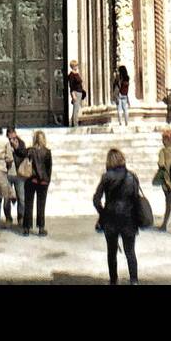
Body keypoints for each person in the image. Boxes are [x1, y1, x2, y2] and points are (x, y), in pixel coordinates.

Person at [93, 147, 141, 285]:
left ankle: (113, 280)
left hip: (111, 218)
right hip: (129, 217)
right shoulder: (132, 176)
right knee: (130, 252)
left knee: (111, 252)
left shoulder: (106, 177)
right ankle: (134, 280)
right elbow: (136, 198)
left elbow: (96, 199)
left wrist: (103, 213)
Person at [22, 129, 52, 237]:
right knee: (41, 205)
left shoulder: (30, 150)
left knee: (28, 204)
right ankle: (41, 228)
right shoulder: (47, 152)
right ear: (43, 139)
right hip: (43, 182)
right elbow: (49, 169)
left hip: (31, 180)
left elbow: (23, 157)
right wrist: (47, 180)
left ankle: (26, 228)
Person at [5, 127, 27, 226]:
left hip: (19, 174)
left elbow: (24, 154)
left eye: (13, 136)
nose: (11, 139)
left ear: (15, 134)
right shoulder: (4, 144)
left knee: (21, 198)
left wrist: (16, 148)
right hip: (7, 174)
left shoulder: (21, 143)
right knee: (6, 198)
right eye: (9, 137)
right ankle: (8, 218)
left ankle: (21, 217)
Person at [67, 59, 87, 127]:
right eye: (76, 65)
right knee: (75, 109)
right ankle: (75, 124)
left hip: (79, 92)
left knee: (77, 108)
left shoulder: (76, 73)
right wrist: (73, 95)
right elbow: (71, 86)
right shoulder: (71, 75)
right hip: (75, 93)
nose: (77, 66)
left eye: (77, 65)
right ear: (73, 66)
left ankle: (74, 123)